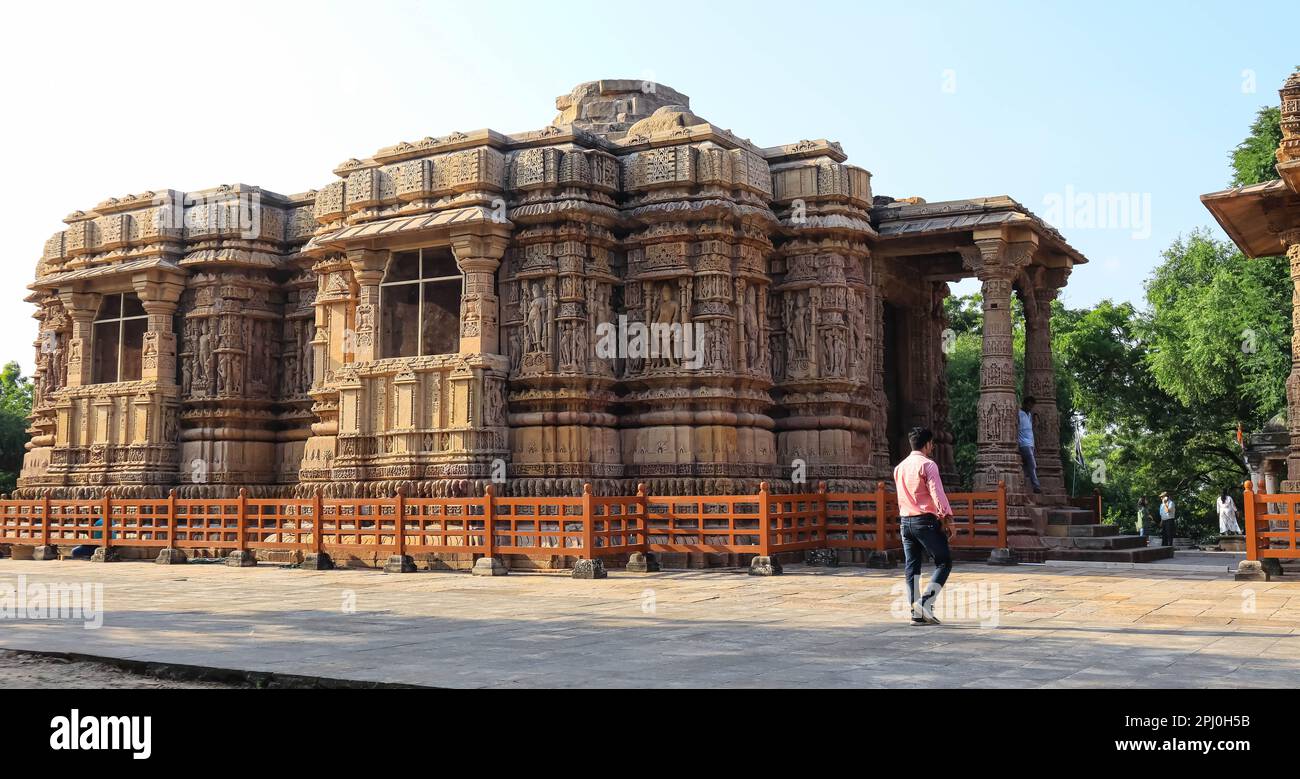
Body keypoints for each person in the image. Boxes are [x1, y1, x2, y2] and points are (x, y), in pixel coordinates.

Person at [893, 427, 954, 626]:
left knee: (912, 566)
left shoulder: (899, 467)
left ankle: (916, 612)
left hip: (905, 521)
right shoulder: (928, 465)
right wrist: (947, 517)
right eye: (932, 443)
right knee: (944, 561)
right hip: (925, 520)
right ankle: (925, 602)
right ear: (927, 444)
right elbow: (937, 493)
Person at [1018, 397, 1042, 494]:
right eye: (1029, 405)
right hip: (1023, 444)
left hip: (1030, 444)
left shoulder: (1029, 415)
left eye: (1032, 406)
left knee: (1025, 467)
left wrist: (1035, 445)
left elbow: (1030, 432)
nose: (1030, 407)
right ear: (1025, 404)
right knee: (1032, 465)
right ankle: (1036, 486)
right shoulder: (1019, 414)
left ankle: (1022, 486)